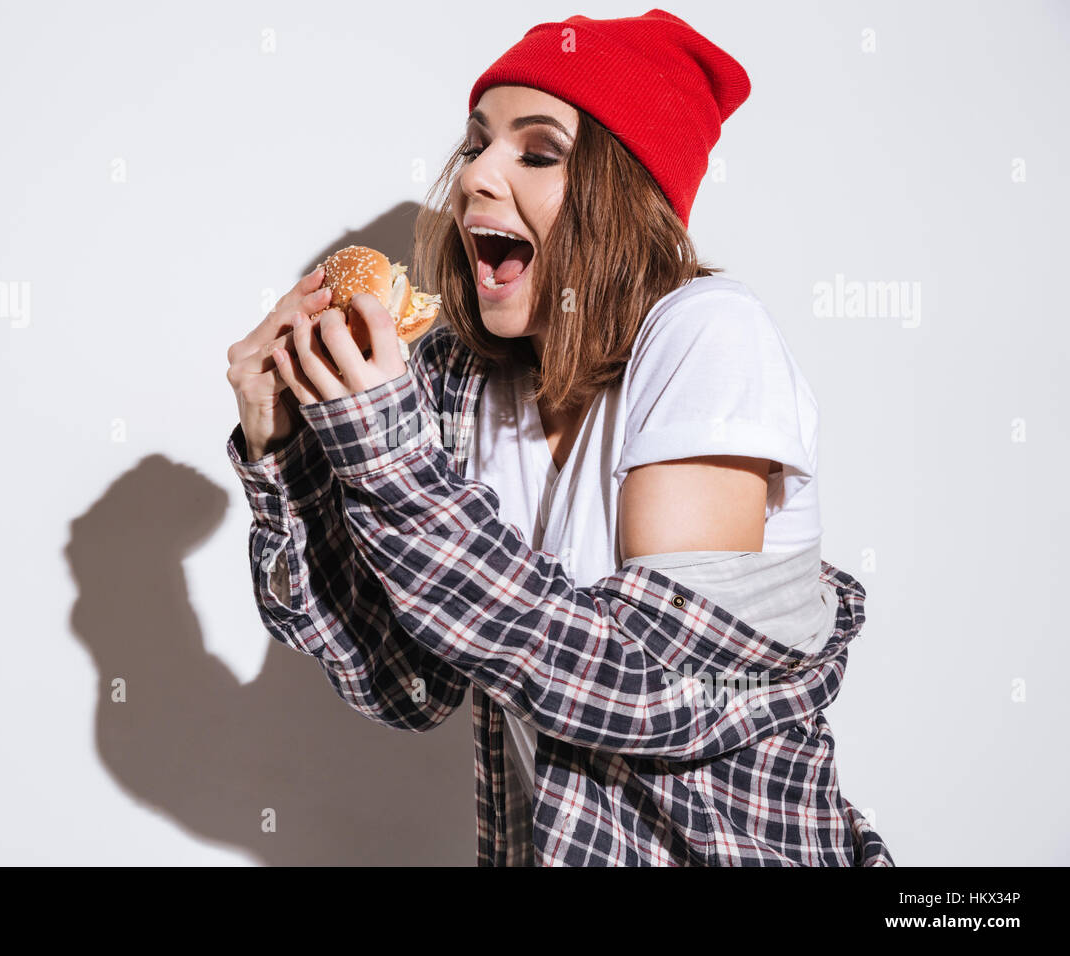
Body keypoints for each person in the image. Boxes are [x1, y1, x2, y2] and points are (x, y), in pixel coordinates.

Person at [224, 10, 894, 866]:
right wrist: (284, 451)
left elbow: (642, 685)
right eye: (476, 147)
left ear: (626, 197)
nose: (474, 180)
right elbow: (404, 685)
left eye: (537, 152)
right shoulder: (463, 381)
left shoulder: (708, 333)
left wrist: (387, 454)